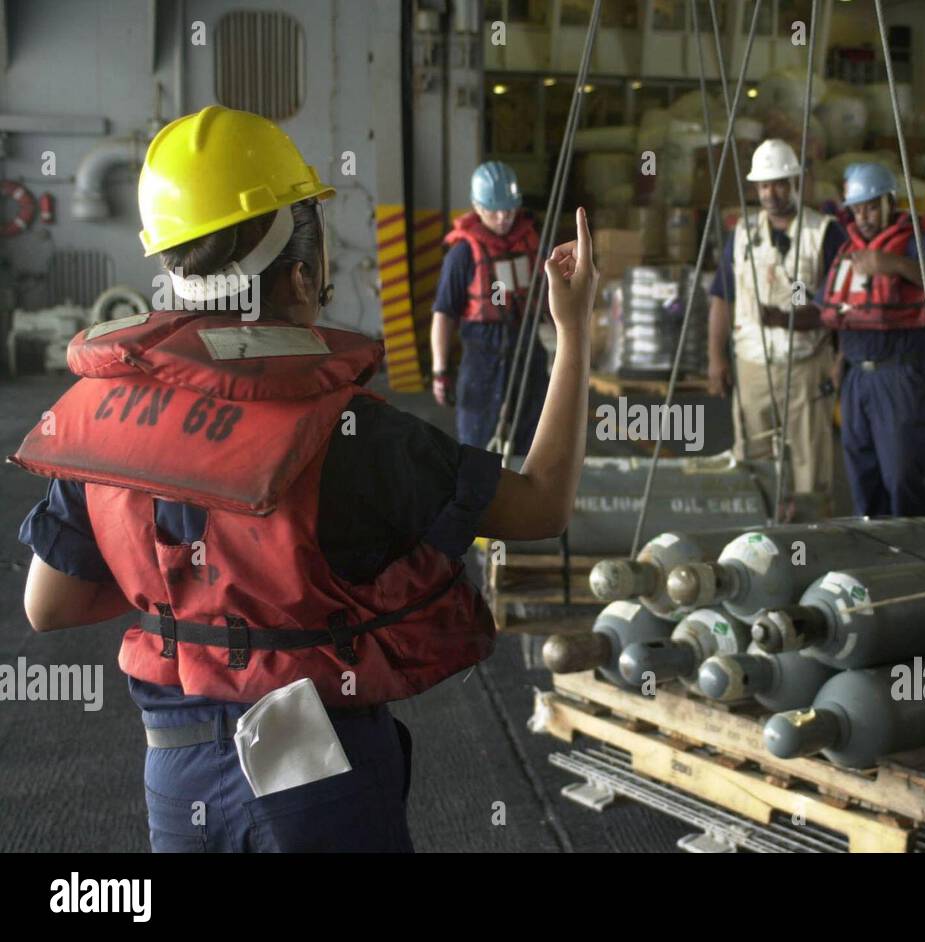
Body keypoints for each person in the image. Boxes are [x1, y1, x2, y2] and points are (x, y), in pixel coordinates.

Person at [12, 105, 598, 852]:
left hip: (176, 771)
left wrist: (188, 590)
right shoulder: (352, 430)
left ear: (173, 268)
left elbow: (48, 604)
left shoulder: (102, 417)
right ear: (301, 272)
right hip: (319, 775)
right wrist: (575, 332)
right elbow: (543, 503)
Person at [818, 163, 925, 516]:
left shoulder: (918, 241)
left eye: (871, 206)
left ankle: (917, 557)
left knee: (904, 476)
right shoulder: (847, 250)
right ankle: (875, 557)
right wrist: (839, 362)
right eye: (857, 208)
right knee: (862, 475)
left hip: (902, 376)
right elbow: (842, 309)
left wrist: (894, 265)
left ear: (890, 202)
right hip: (857, 376)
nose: (864, 216)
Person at [707, 138, 845, 499]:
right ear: (756, 188)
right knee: (752, 462)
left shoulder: (824, 232)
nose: (772, 192)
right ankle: (757, 540)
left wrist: (841, 360)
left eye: (780, 182)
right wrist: (716, 358)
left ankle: (809, 541)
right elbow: (722, 297)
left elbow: (844, 305)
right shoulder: (741, 235)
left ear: (795, 182)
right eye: (765, 184)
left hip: (806, 364)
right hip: (752, 364)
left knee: (810, 464)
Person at [431, 160, 547, 452]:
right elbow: (443, 315)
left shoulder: (534, 246)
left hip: (528, 353)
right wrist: (440, 370)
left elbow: (552, 300)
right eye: (493, 210)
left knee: (533, 446)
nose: (502, 217)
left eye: (508, 209)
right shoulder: (461, 256)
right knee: (476, 447)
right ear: (476, 206)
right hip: (482, 358)